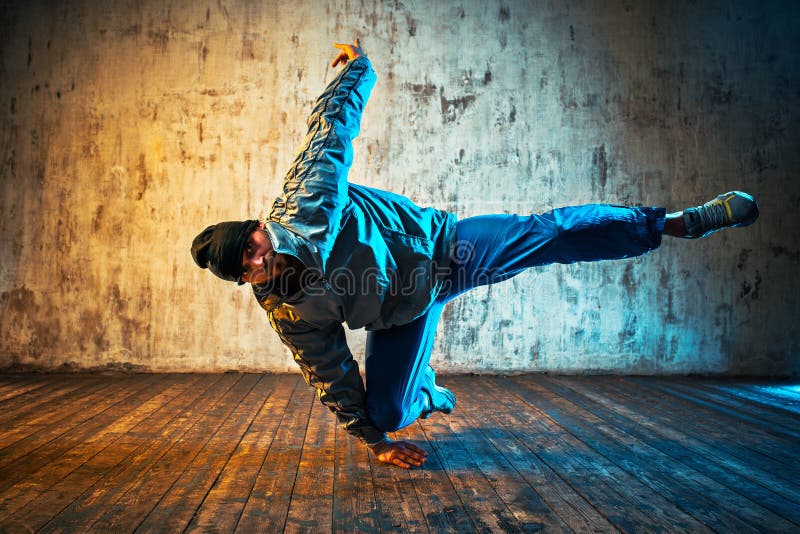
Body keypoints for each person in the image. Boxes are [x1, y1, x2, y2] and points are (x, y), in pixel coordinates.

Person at [190, 39, 759, 468]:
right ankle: (428, 392)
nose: (257, 262)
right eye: (244, 269)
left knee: (548, 235)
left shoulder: (305, 198)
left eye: (252, 248)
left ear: (261, 227)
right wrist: (377, 443)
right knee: (385, 411)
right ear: (243, 281)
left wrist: (357, 68)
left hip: (447, 251)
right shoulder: (287, 313)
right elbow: (329, 372)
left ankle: (677, 223)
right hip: (401, 315)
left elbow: (331, 130)